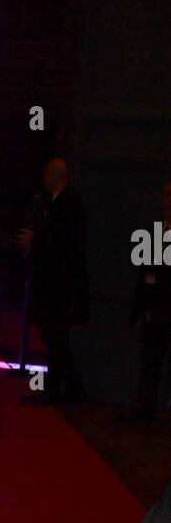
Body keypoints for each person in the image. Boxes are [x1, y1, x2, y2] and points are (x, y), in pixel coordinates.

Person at [18, 156, 89, 405]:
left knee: (56, 339)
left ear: (50, 177)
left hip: (59, 289)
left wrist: (35, 241)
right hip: (57, 287)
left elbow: (62, 244)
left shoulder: (66, 204)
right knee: (55, 340)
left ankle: (61, 390)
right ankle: (68, 389)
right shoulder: (61, 203)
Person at [120, 182, 171, 424]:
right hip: (156, 310)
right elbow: (145, 273)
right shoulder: (154, 233)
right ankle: (145, 408)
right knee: (150, 362)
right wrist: (138, 308)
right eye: (166, 196)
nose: (168, 201)